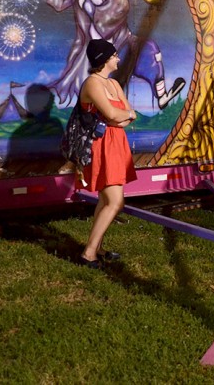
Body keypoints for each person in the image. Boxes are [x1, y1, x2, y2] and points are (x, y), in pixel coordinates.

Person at [46, 0, 185, 109]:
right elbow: (54, 2)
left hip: (122, 43)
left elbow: (108, 18)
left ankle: (161, 95)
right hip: (93, 54)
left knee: (149, 49)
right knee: (101, 87)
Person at [76, 39, 138, 268]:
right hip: (101, 144)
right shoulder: (93, 84)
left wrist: (123, 115)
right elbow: (114, 112)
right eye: (114, 55)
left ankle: (97, 247)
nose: (118, 58)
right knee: (115, 201)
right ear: (103, 59)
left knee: (105, 200)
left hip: (115, 142)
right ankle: (88, 254)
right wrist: (124, 115)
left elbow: (130, 113)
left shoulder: (113, 84)